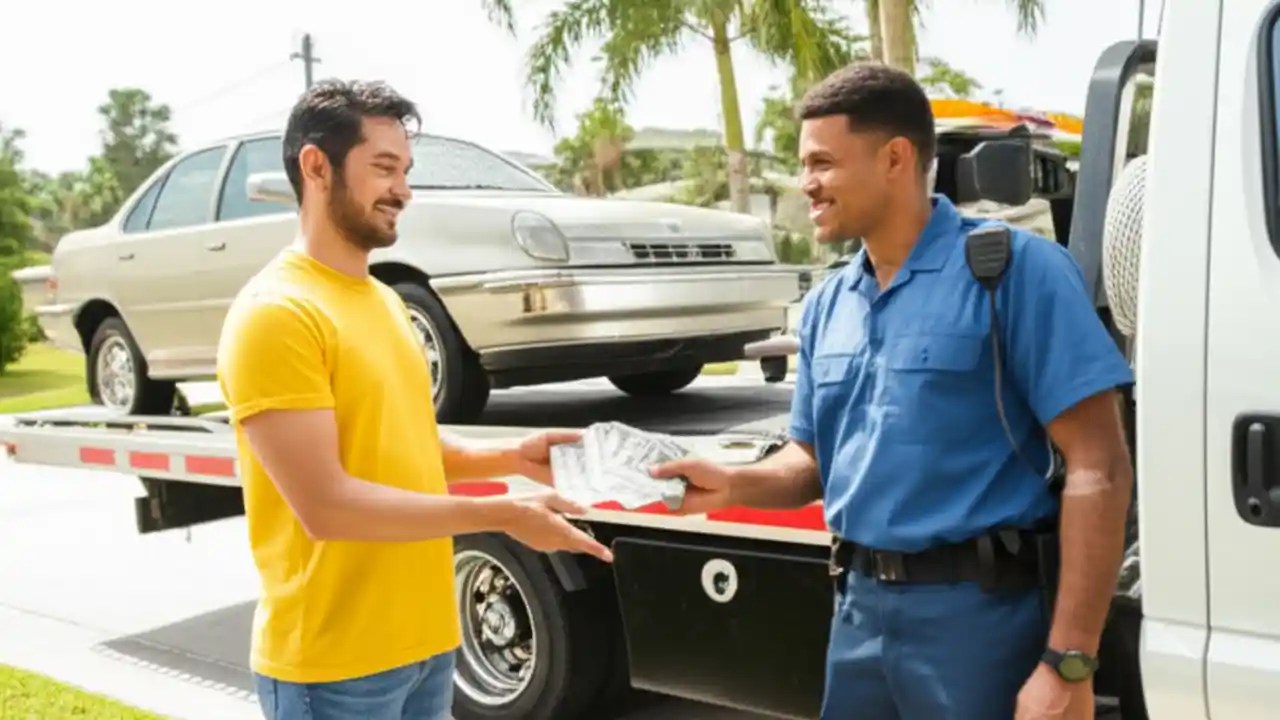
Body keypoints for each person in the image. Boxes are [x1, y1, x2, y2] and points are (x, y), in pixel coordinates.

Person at [651, 63, 1135, 720]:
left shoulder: (1013, 273)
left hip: (980, 624)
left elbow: (1099, 466)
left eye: (823, 162)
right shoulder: (827, 306)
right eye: (804, 165)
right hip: (857, 616)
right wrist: (731, 483)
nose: (806, 185)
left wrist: (1070, 661)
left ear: (896, 159)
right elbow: (811, 463)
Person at [215, 79, 613, 720]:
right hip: (336, 668)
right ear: (316, 167)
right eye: (382, 168)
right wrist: (503, 515)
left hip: (429, 647)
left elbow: (398, 447)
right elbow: (327, 505)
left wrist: (512, 456)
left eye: (405, 170)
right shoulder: (277, 313)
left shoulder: (385, 301)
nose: (402, 190)